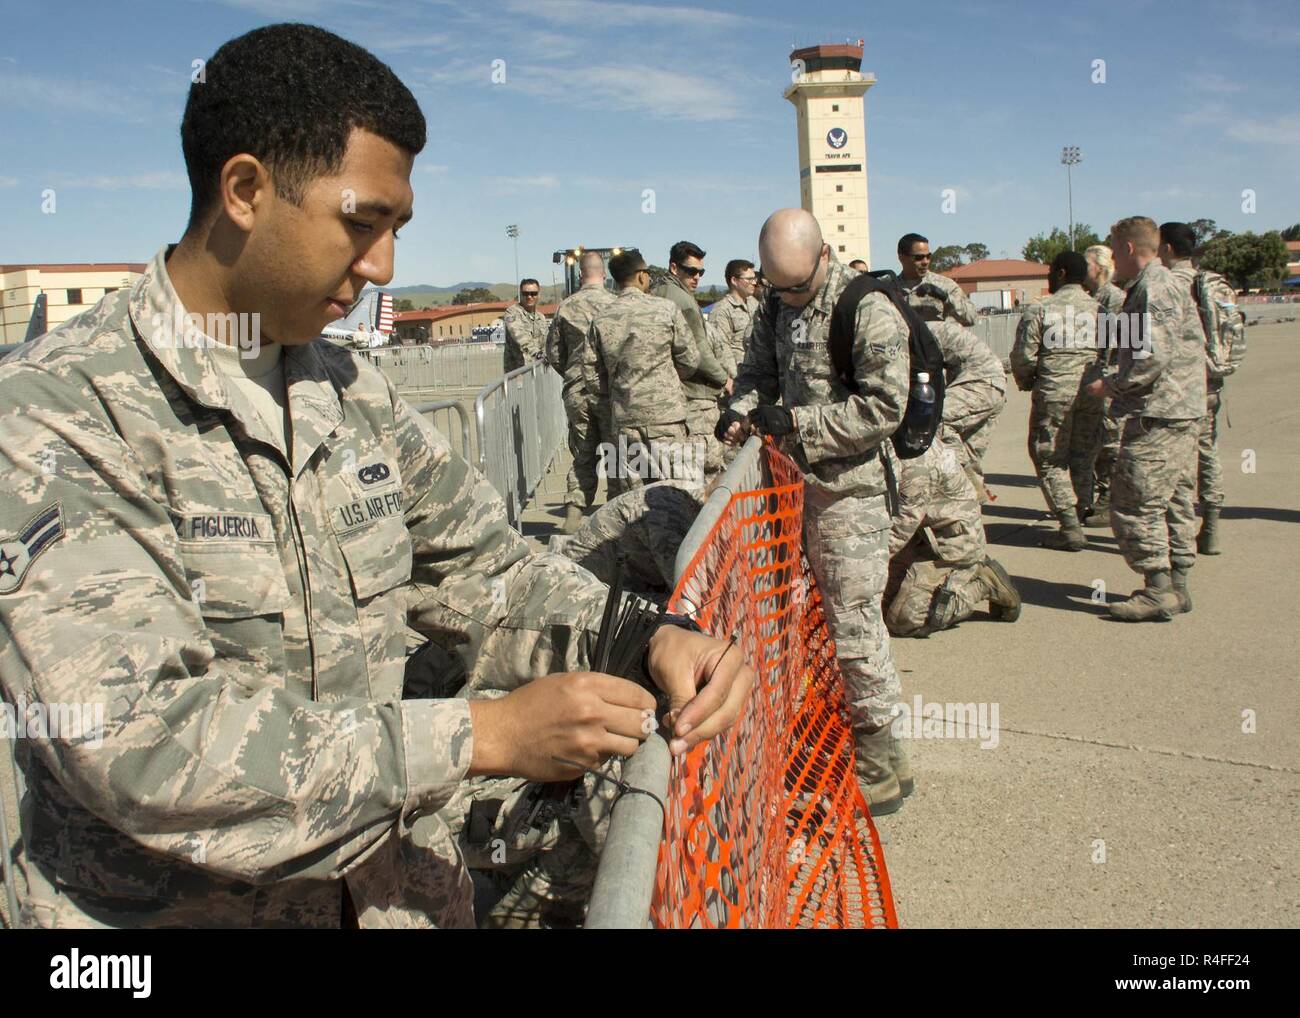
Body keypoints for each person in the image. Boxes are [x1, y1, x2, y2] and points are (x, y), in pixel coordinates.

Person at [0, 24, 752, 930]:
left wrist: (641, 634)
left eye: (396, 229)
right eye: (361, 224)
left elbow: (486, 571)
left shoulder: (344, 383)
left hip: (392, 896)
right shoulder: (56, 413)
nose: (384, 265)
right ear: (244, 191)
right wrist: (484, 736)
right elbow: (140, 740)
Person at [719, 209, 911, 815]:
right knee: (809, 619)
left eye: (798, 287)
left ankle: (881, 762)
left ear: (824, 256)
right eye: (778, 288)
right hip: (792, 483)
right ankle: (849, 740)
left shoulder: (868, 309)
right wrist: (743, 409)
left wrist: (800, 424)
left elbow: (885, 407)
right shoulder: (776, 304)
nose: (789, 298)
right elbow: (758, 373)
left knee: (854, 627)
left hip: (849, 492)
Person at [1083, 216, 1206, 620]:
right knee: (1176, 499)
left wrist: (1112, 386)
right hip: (1180, 410)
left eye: (1115, 249)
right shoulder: (1168, 283)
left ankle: (1157, 589)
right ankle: (1181, 587)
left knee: (1135, 502)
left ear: (1129, 249)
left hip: (1158, 412)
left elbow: (1151, 356)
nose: (1114, 257)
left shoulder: (1152, 289)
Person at [1158, 222, 1244, 557]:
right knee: (1208, 451)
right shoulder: (1212, 282)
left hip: (1179, 385)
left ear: (1166, 249)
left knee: (1177, 460)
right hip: (1211, 380)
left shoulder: (1168, 284)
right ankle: (1211, 527)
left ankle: (1177, 538)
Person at [1010, 251, 1104, 551]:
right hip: (1093, 390)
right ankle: (1082, 509)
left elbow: (1024, 357)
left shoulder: (1042, 310)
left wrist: (1027, 381)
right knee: (1084, 454)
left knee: (1049, 458)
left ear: (1061, 273)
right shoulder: (1101, 310)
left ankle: (1069, 526)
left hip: (1054, 391)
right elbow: (1115, 353)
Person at [589, 250, 702, 490]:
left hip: (623, 423)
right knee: (681, 495)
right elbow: (690, 361)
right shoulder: (666, 309)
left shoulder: (600, 319)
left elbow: (592, 378)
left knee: (631, 502)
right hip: (667, 419)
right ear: (641, 276)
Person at [885, 442, 1020, 637]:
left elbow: (900, 528)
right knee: (877, 609)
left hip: (952, 546)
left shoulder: (916, 459)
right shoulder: (892, 444)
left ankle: (983, 583)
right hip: (920, 539)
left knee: (903, 621)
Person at [545, 251, 615, 533]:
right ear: (604, 274)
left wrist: (573, 374)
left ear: (581, 275)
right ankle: (614, 514)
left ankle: (574, 512)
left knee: (584, 453)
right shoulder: (615, 304)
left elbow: (553, 352)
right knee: (616, 452)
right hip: (609, 392)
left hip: (577, 391)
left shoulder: (566, 307)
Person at [651, 241, 731, 481]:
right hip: (695, 394)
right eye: (691, 271)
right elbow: (700, 352)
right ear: (674, 268)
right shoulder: (683, 301)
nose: (696, 277)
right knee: (706, 466)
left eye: (701, 272)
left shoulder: (656, 293)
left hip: (667, 396)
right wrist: (724, 378)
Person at [549, 480, 706, 600]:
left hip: (626, 580)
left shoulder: (694, 497)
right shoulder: (670, 516)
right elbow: (688, 595)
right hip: (579, 588)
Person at [928, 319, 1007, 501]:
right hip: (994, 385)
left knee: (935, 420)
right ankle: (973, 503)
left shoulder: (914, 333)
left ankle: (966, 480)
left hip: (981, 384)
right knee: (969, 453)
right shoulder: (932, 328)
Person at [1082, 244, 1128, 526]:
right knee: (1097, 444)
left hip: (1110, 380)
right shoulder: (1093, 297)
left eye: (1086, 264)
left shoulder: (1116, 299)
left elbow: (1130, 344)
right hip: (1096, 378)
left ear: (1099, 267)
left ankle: (1111, 500)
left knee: (1111, 444)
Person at [896, 233, 977, 326]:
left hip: (938, 339)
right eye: (919, 257)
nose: (925, 262)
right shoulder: (889, 288)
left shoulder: (945, 285)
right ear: (902, 258)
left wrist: (946, 298)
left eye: (928, 256)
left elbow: (972, 317)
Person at [708, 259, 760, 372]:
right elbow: (721, 349)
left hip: (758, 373)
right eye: (749, 279)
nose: (755, 283)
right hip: (738, 376)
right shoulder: (722, 310)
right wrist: (736, 379)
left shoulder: (754, 304)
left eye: (754, 279)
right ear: (734, 280)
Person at [502, 278, 548, 372]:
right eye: (525, 293)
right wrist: (536, 353)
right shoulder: (512, 313)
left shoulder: (541, 317)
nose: (529, 297)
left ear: (539, 295)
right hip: (518, 373)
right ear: (520, 294)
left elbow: (546, 342)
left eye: (533, 293)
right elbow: (519, 335)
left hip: (537, 371)